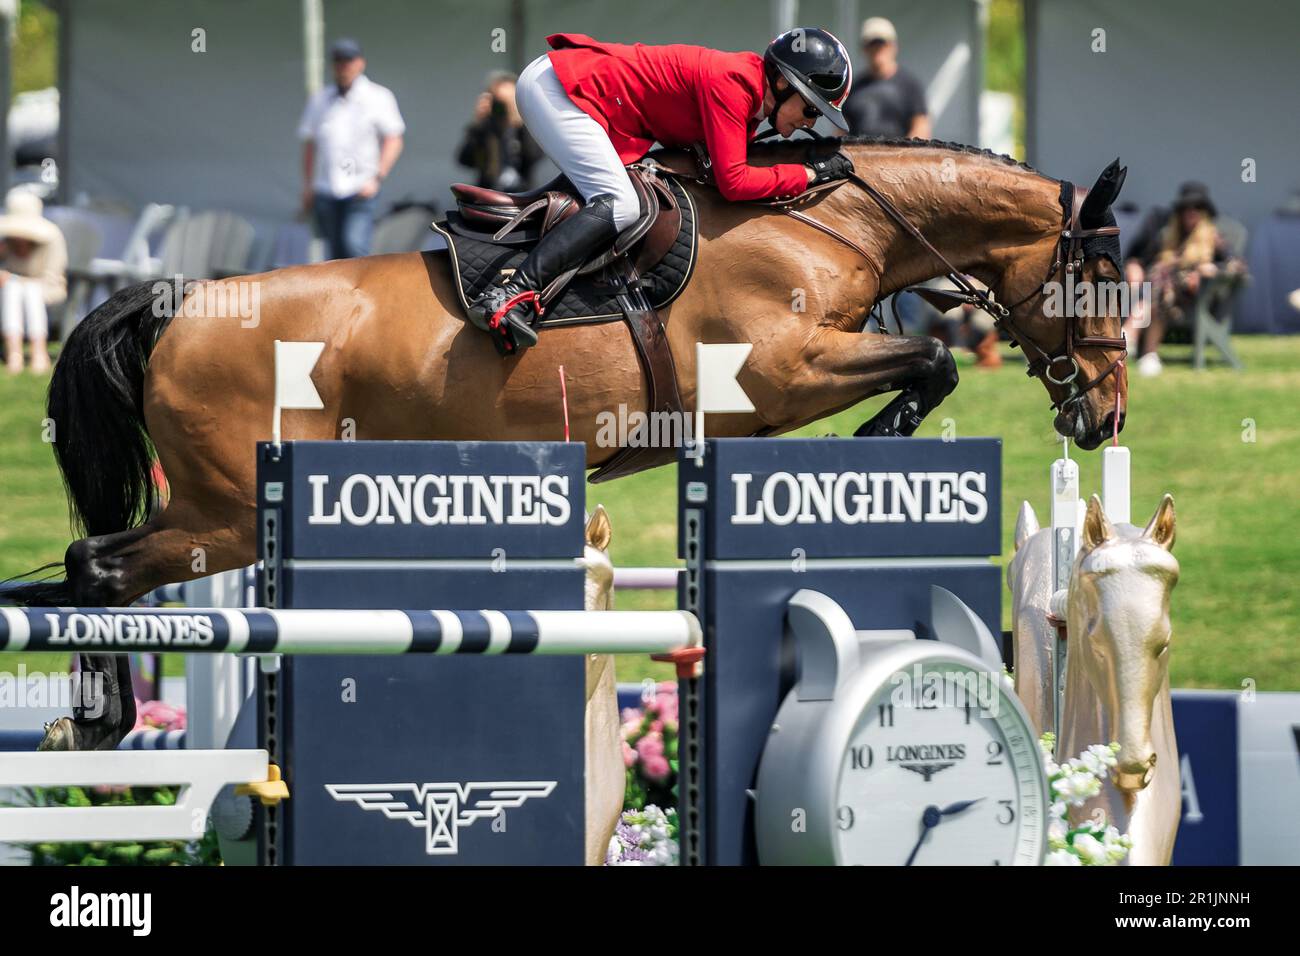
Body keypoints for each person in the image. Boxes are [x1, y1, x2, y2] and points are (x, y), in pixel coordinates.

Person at [466, 28, 857, 356]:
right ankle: (508, 294)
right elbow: (734, 182)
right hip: (559, 88)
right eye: (811, 110)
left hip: (572, 90)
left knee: (620, 199)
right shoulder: (735, 83)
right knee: (621, 204)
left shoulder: (749, 95)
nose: (810, 123)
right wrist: (808, 174)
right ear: (783, 83)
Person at [298, 38, 406, 259]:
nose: (343, 67)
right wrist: (308, 185)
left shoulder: (378, 96)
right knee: (334, 254)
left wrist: (377, 177)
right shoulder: (321, 99)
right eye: (339, 61)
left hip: (361, 187)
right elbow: (310, 143)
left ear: (360, 63)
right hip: (327, 188)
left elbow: (394, 139)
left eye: (348, 61)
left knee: (354, 245)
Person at [1126, 182, 1239, 376]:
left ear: (1204, 212)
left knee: (1157, 288)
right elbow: (1141, 259)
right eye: (1186, 208)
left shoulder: (1212, 238)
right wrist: (1134, 266)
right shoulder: (1168, 235)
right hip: (1160, 296)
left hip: (1195, 299)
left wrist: (1210, 270)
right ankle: (1146, 352)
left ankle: (1131, 338)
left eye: (1197, 208)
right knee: (1158, 283)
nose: (1191, 213)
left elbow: (1236, 266)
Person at [0, 188, 67, 374]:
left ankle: (38, 350)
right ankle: (14, 352)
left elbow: (52, 278)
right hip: (10, 291)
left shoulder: (52, 239)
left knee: (30, 291)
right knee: (13, 288)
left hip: (46, 290)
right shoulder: (5, 243)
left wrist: (18, 280)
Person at [841, 17, 930, 140]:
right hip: (857, 151)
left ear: (894, 47)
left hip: (901, 151)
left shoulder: (910, 86)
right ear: (864, 49)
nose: (877, 50)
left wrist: (903, 151)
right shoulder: (852, 87)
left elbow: (921, 127)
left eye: (882, 44)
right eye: (872, 45)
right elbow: (841, 129)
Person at [457, 70, 544, 192]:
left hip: (523, 195)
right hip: (488, 195)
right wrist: (478, 123)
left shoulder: (524, 127)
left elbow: (534, 156)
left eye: (509, 101)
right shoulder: (486, 128)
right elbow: (465, 160)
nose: (503, 107)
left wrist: (521, 122)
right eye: (499, 101)